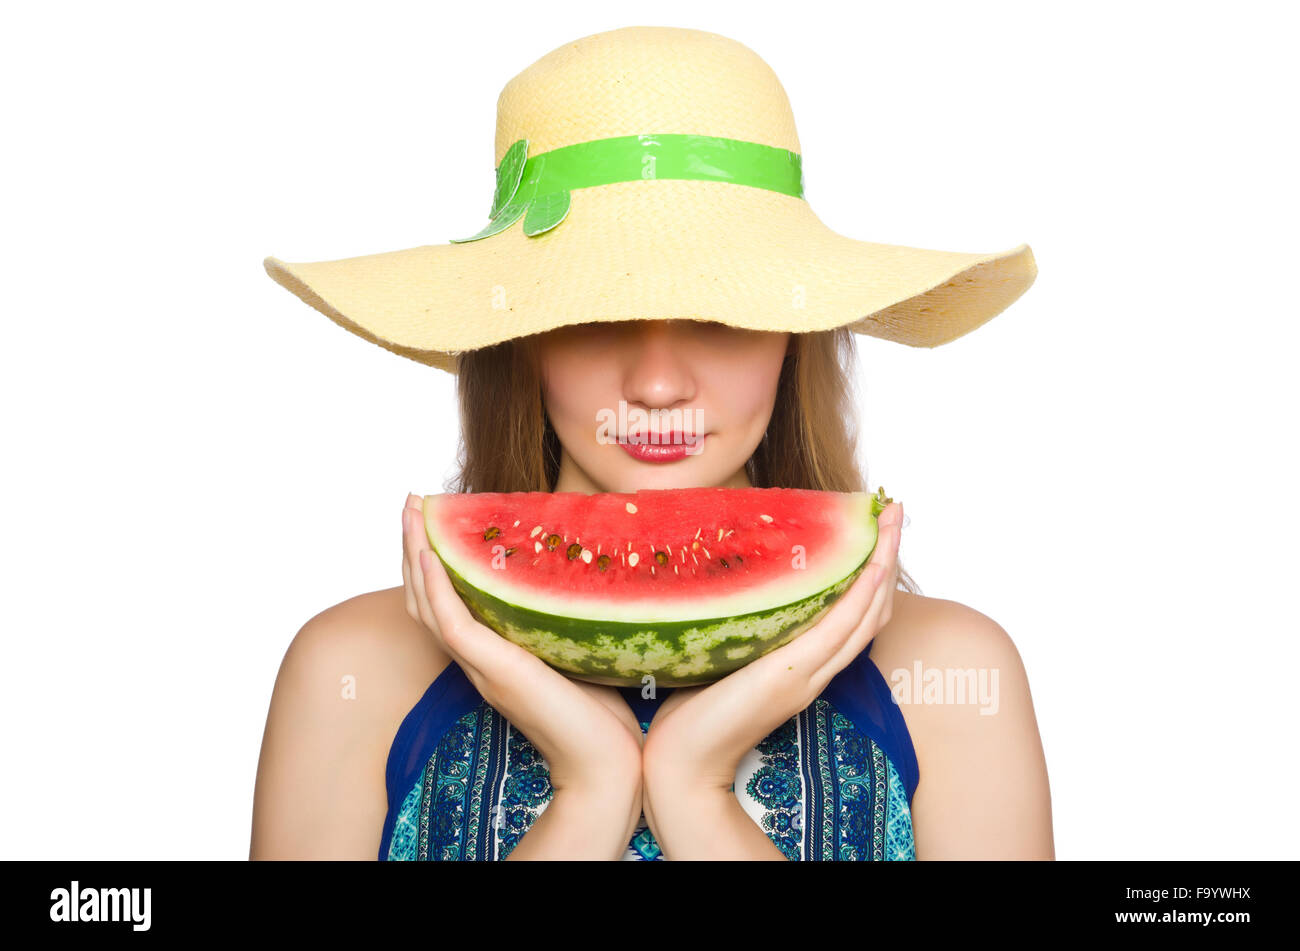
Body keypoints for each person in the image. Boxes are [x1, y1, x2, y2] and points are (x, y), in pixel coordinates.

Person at [249, 26, 1052, 860]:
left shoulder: (959, 680)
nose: (659, 384)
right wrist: (588, 790)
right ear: (521, 339)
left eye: (719, 315)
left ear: (794, 332)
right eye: (598, 316)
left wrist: (694, 786)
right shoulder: (347, 674)